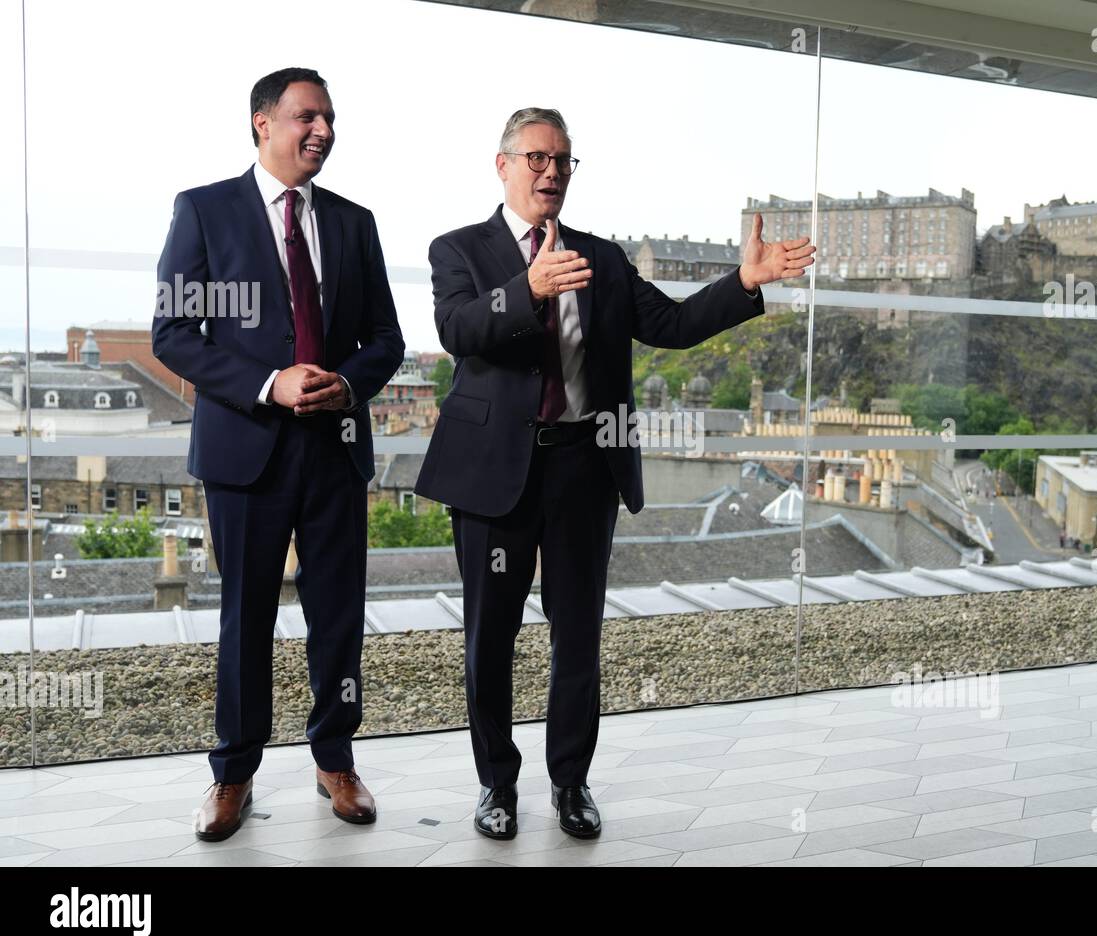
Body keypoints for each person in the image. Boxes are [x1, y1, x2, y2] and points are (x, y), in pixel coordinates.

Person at [414, 108, 814, 840]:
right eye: (536, 158)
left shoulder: (603, 256)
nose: (551, 173)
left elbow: (673, 325)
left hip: (581, 466)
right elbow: (457, 330)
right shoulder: (459, 249)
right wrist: (527, 288)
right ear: (501, 165)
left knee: (579, 633)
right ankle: (496, 785)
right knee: (489, 634)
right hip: (493, 473)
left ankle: (570, 783)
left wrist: (744, 282)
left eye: (563, 161)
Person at [152, 67, 405, 842]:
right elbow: (171, 334)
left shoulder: (355, 222)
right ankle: (233, 774)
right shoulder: (204, 211)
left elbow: (387, 342)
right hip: (245, 453)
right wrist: (269, 383)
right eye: (307, 117)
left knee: (339, 620)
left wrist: (343, 386)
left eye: (329, 118)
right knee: (244, 620)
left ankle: (336, 758)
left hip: (334, 452)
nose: (322, 130)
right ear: (262, 123)